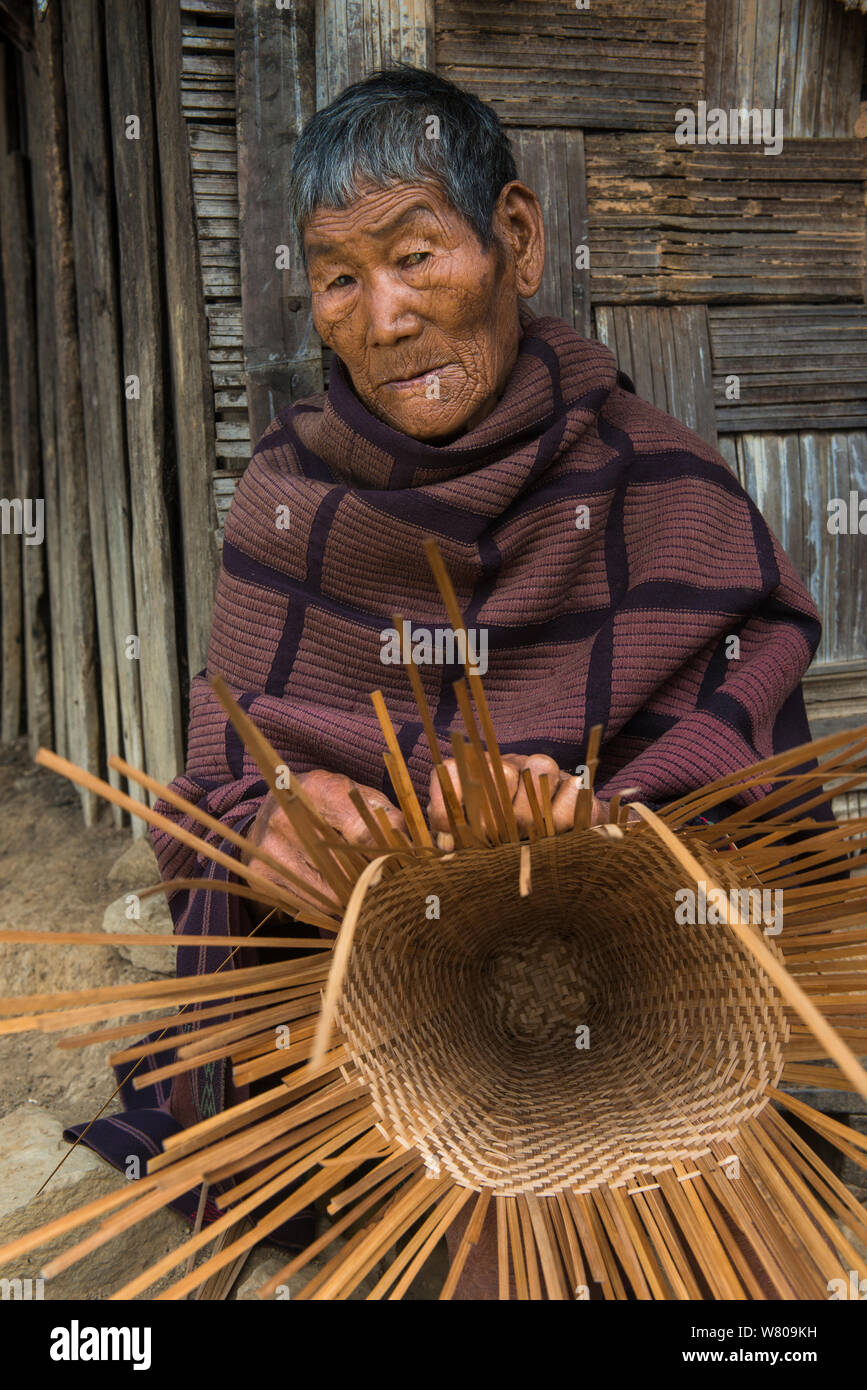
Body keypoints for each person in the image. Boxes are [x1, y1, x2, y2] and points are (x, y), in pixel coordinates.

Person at [67, 62, 824, 1296]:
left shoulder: (671, 493)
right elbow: (215, 785)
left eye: (419, 255)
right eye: (339, 279)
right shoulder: (286, 505)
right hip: (359, 1009)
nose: (384, 316)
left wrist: (618, 840)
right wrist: (271, 836)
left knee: (756, 1273)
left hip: (631, 1015)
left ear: (515, 240)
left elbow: (774, 819)